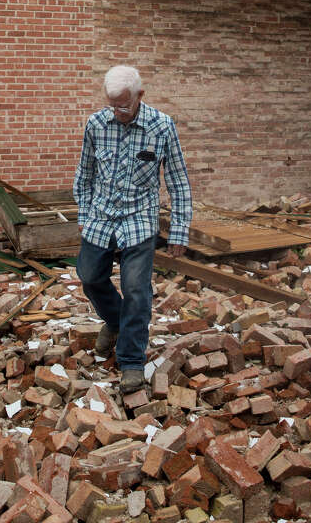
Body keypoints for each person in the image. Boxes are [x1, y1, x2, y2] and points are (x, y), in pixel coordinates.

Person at [73, 65, 192, 393]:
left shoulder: (162, 127)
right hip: (100, 217)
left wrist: (180, 229)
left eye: (125, 105)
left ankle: (131, 361)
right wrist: (84, 212)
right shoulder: (96, 124)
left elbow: (178, 181)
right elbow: (84, 173)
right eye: (114, 105)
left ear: (140, 95)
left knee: (137, 291)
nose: (119, 112)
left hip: (140, 220)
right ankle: (114, 322)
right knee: (90, 277)